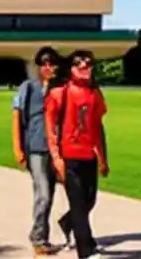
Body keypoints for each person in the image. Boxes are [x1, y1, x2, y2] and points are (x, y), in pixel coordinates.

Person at [45, 50, 109, 259]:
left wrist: (102, 158)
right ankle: (86, 252)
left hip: (88, 155)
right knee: (78, 204)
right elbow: (51, 127)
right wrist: (56, 157)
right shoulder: (60, 93)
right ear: (70, 69)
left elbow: (97, 126)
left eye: (88, 64)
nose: (84, 67)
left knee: (89, 200)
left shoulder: (94, 94)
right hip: (68, 155)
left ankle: (67, 223)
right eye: (78, 64)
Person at [13, 46, 65, 256]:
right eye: (44, 63)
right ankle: (38, 238)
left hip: (59, 150)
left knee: (61, 194)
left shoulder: (62, 88)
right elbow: (17, 117)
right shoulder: (28, 88)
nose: (48, 67)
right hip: (36, 148)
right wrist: (18, 148)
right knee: (43, 194)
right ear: (37, 66)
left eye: (52, 63)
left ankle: (62, 226)